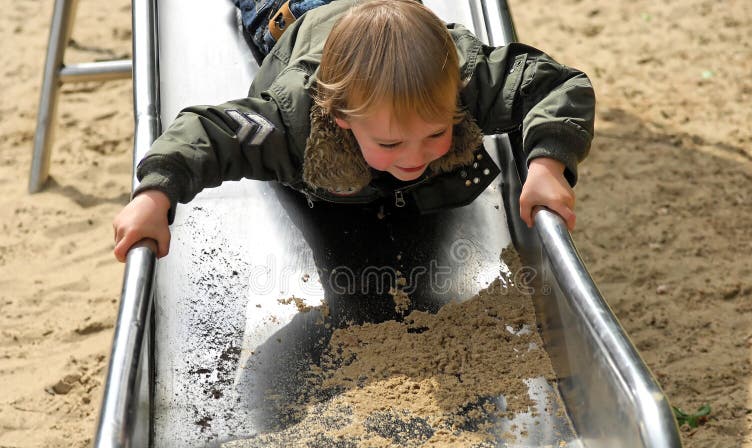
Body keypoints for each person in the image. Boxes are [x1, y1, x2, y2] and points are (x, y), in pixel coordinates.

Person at [112, 0, 594, 262]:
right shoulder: (292, 122)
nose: (414, 156)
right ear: (340, 116)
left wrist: (548, 163)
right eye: (389, 142)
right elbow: (211, 131)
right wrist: (154, 195)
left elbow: (554, 83)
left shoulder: (462, 82)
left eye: (435, 133)